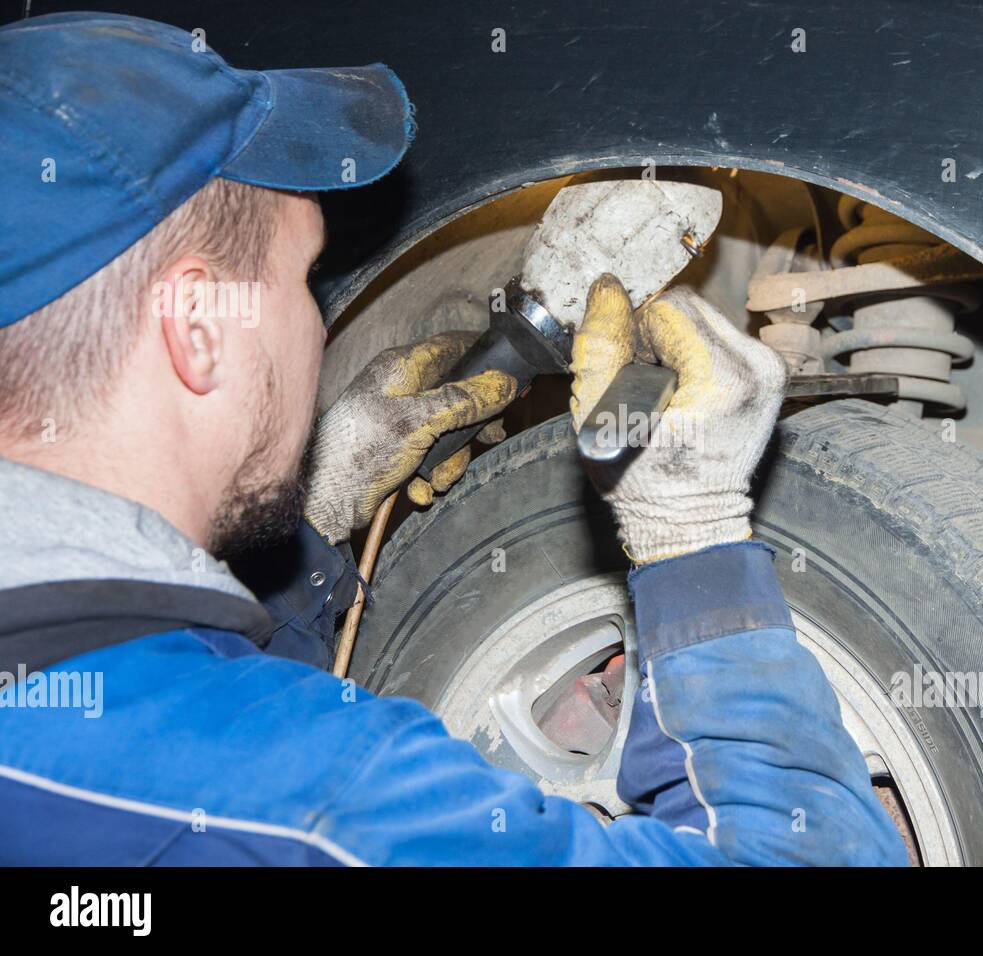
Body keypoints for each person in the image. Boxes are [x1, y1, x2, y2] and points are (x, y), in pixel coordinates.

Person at [0, 12, 906, 866]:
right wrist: (693, 534)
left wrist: (309, 535)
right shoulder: (314, 803)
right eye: (304, 278)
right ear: (196, 325)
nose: (317, 327)